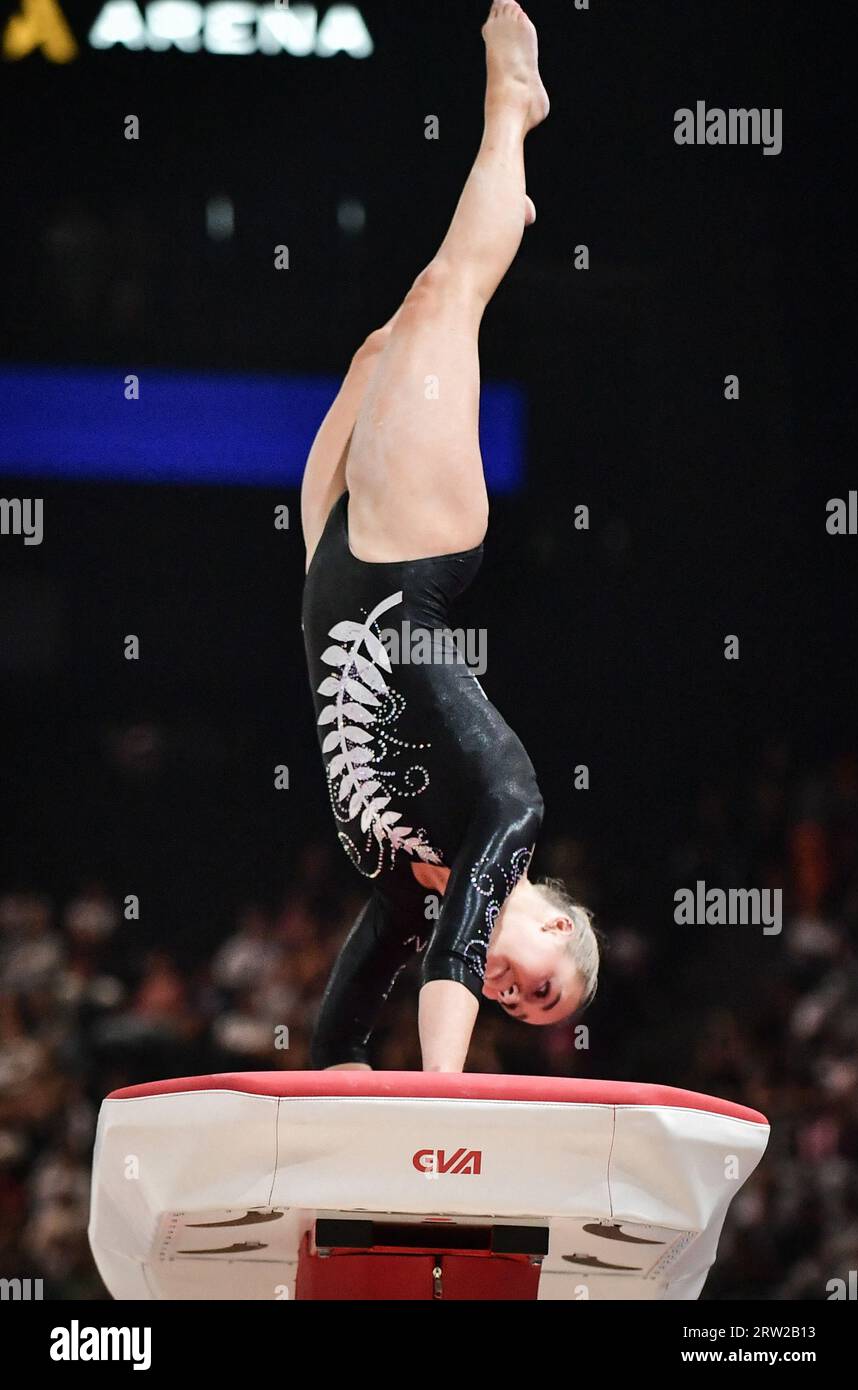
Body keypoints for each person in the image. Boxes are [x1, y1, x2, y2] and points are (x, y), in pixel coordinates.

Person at [301, 2, 599, 1073]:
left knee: (381, 346)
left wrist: (336, 1080)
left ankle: (502, 203)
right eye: (538, 984)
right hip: (408, 551)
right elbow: (463, 931)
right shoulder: (508, 815)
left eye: (516, 1009)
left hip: (325, 563)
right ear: (554, 923)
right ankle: (510, 114)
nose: (515, 993)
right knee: (442, 298)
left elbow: (348, 1003)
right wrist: (438, 1097)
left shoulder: (396, 888)